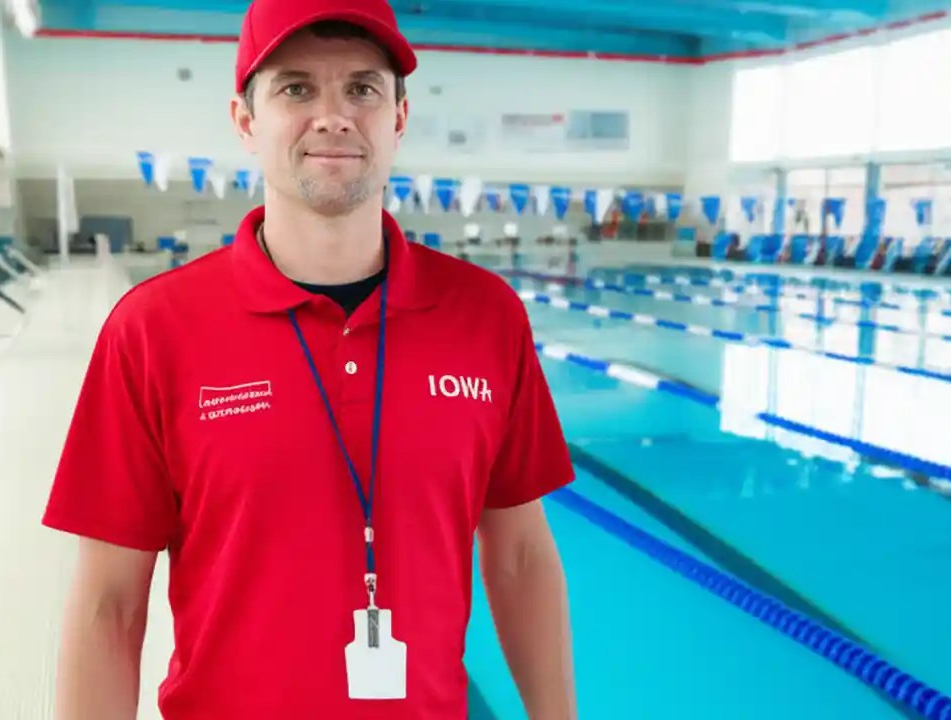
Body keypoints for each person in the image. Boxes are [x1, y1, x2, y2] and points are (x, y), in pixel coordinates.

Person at [41, 0, 577, 717]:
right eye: (296, 88)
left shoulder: (486, 318)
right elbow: (109, 603)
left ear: (399, 119)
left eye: (362, 88)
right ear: (244, 120)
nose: (334, 115)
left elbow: (518, 558)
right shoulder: (153, 330)